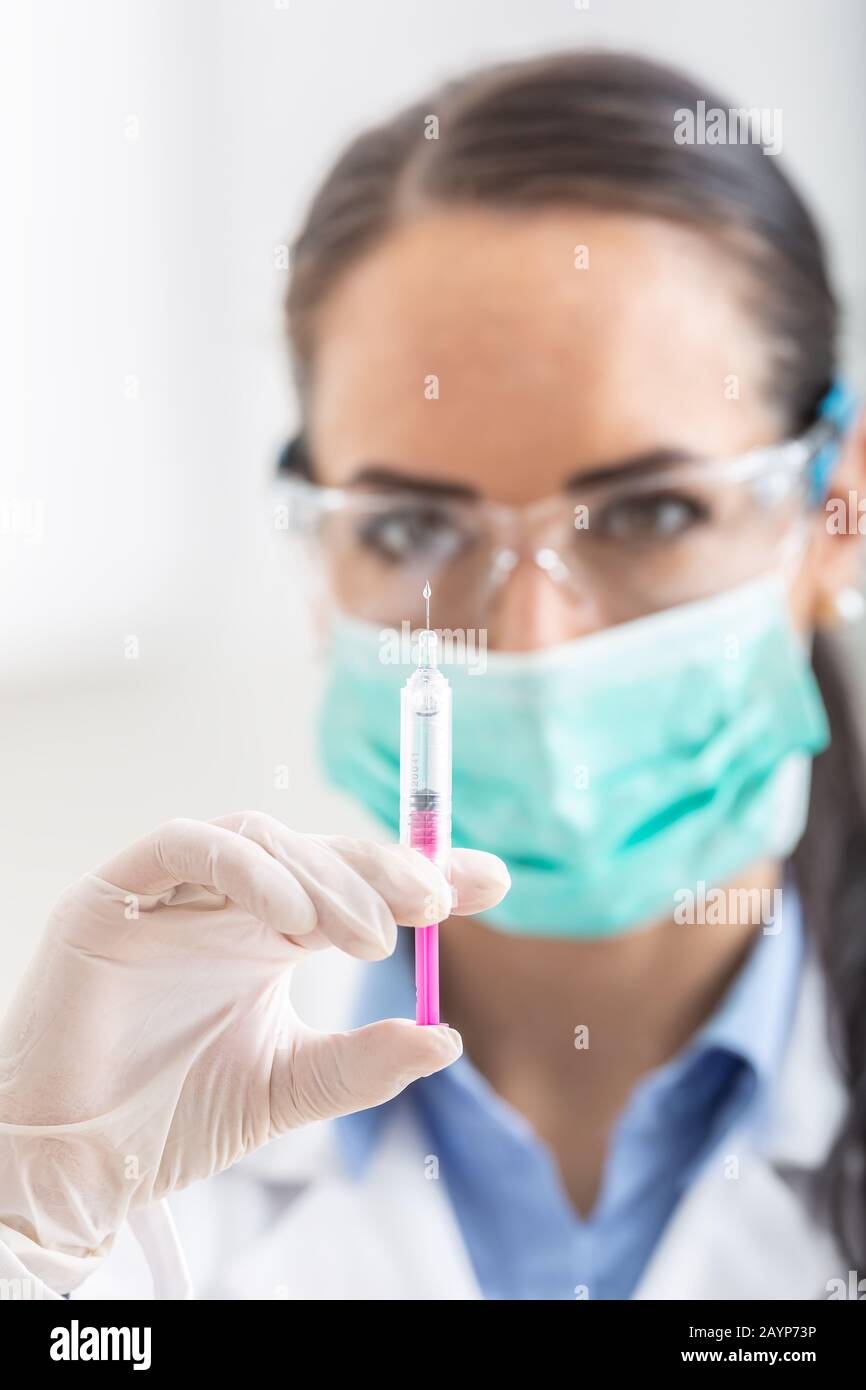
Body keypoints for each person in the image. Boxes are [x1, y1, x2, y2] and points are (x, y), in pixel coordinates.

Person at [2, 51, 865, 1301]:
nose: (528, 641)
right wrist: (38, 1241)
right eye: (414, 528)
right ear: (317, 551)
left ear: (831, 511)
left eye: (645, 513)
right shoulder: (141, 1170)